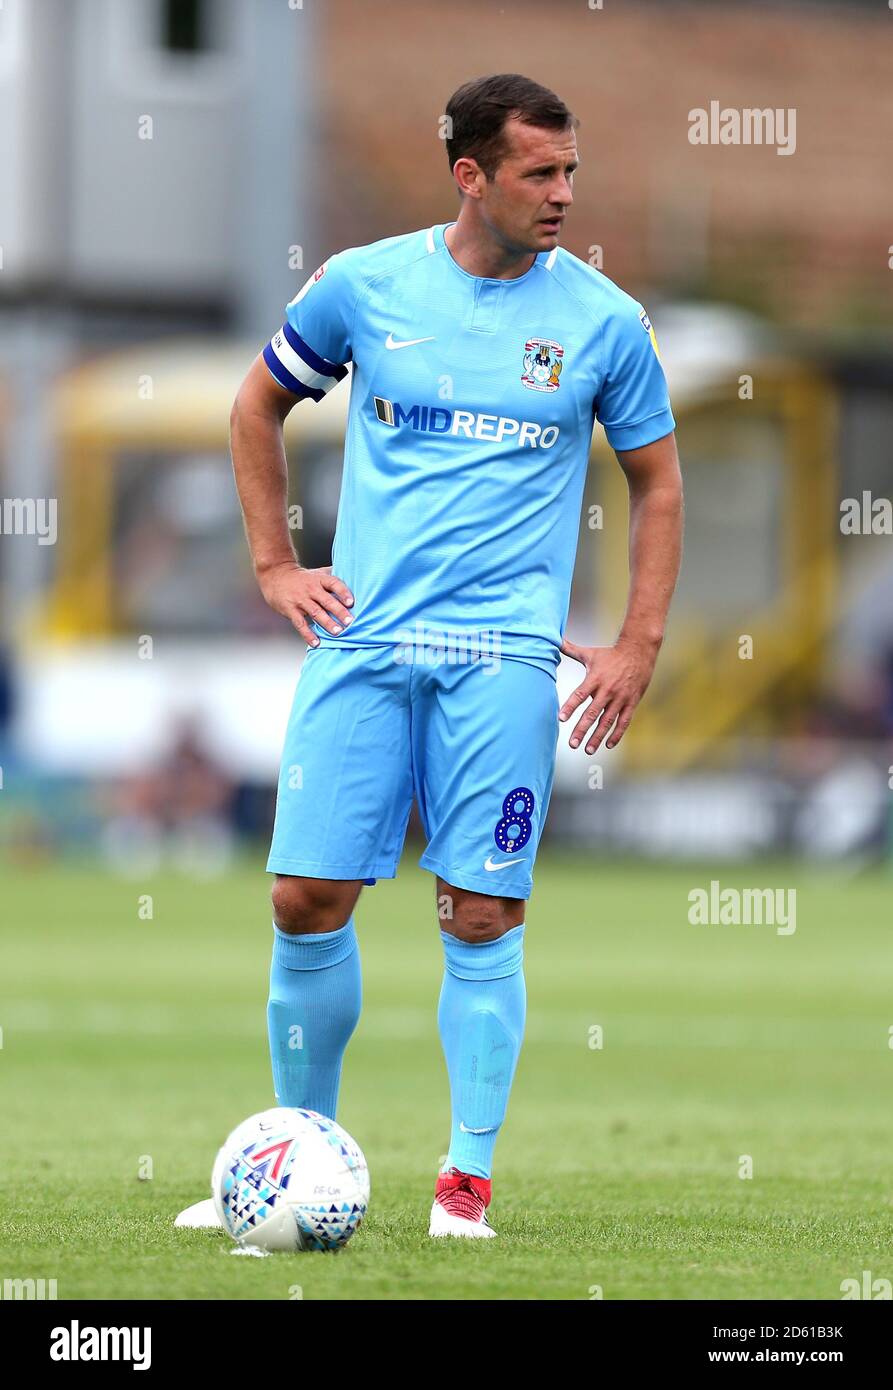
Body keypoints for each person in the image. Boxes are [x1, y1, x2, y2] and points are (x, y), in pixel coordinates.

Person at [177, 72, 683, 1239]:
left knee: (477, 914)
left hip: (502, 656)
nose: (562, 193)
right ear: (471, 176)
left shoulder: (604, 320)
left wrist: (636, 642)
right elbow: (256, 407)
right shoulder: (363, 285)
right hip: (362, 638)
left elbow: (653, 480)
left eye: (569, 172)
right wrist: (274, 564)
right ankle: (286, 1159)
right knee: (305, 896)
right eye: (538, 174)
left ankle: (464, 1187)